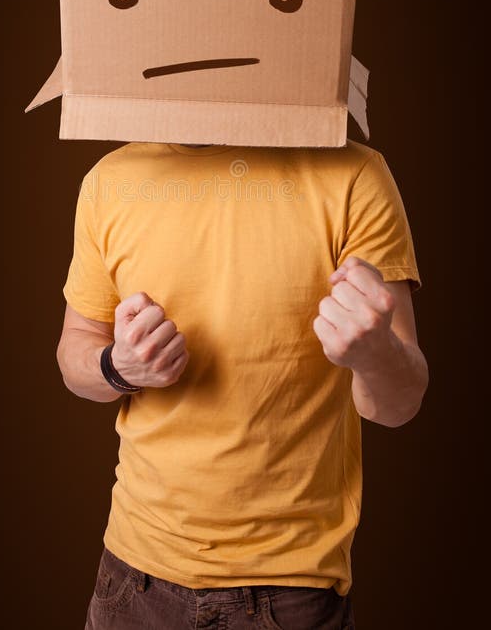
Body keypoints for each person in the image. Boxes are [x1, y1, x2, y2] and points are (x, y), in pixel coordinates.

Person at [57, 138, 428, 630]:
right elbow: (74, 352)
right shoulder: (111, 179)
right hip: (135, 579)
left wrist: (374, 352)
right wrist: (116, 366)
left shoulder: (353, 174)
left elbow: (400, 403)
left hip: (290, 591)